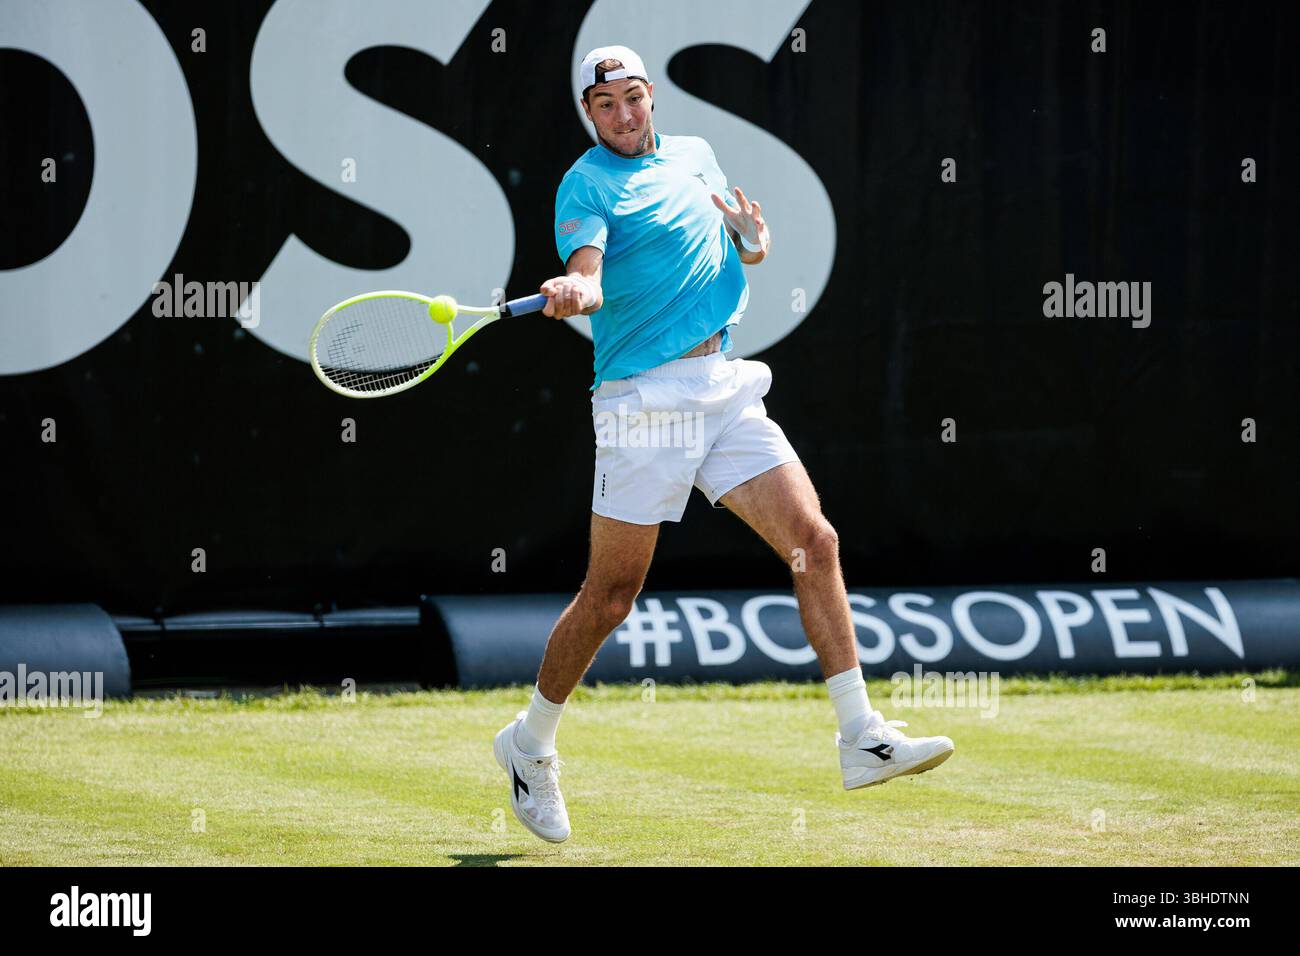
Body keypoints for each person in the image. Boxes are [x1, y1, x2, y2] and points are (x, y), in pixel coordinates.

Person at [493, 45, 953, 843]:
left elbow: (737, 250)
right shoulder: (585, 185)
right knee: (611, 597)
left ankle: (861, 736)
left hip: (723, 384)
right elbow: (593, 271)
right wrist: (579, 287)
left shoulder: (698, 156)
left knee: (814, 540)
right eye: (607, 106)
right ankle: (529, 746)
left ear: (649, 98)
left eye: (634, 98)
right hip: (646, 401)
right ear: (588, 114)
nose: (625, 115)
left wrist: (749, 243)